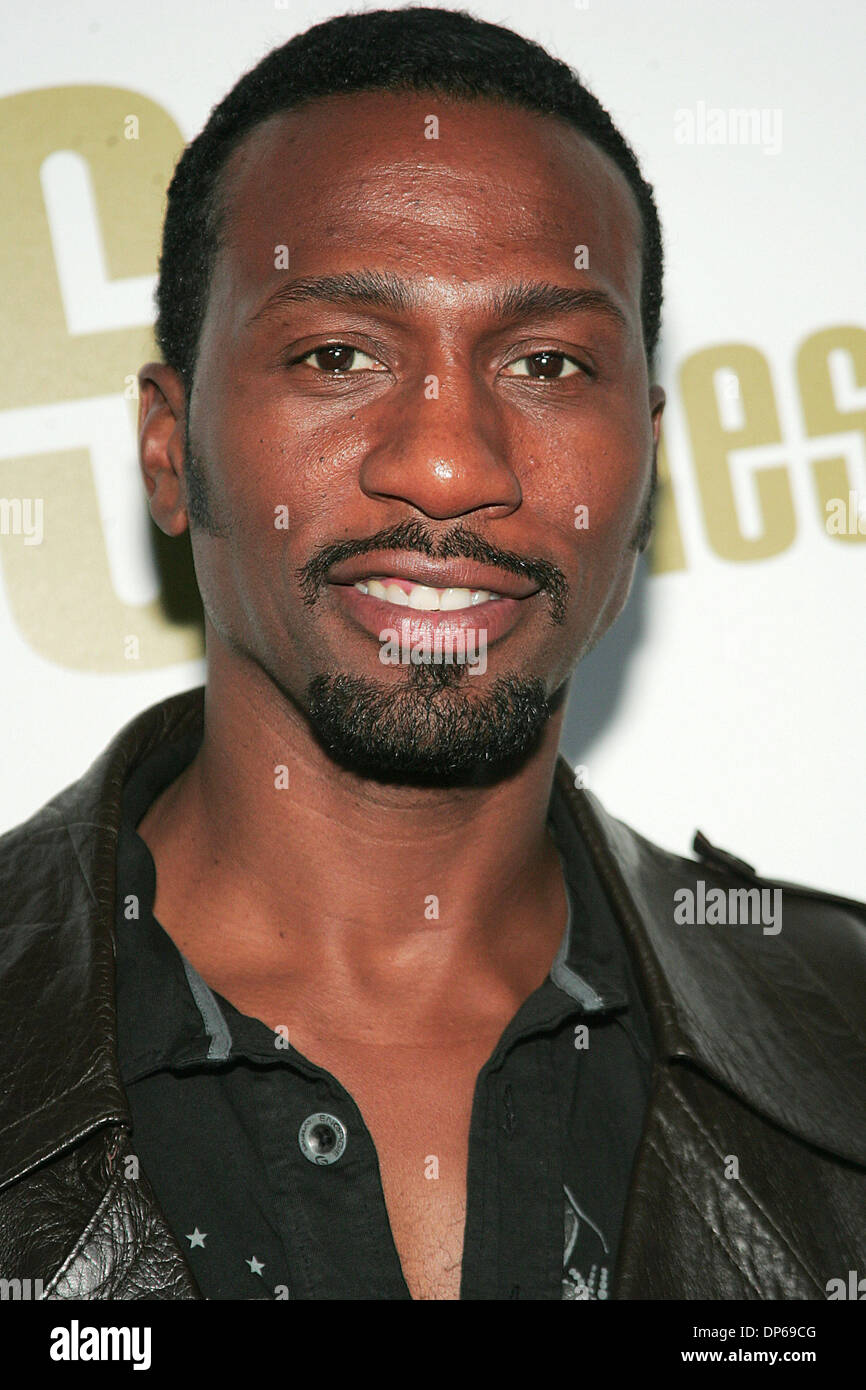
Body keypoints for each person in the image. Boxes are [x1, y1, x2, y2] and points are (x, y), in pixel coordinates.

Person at [0, 6, 863, 1302]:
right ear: (168, 449)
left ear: (647, 462)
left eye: (547, 362)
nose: (450, 466)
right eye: (337, 354)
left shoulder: (843, 1034)